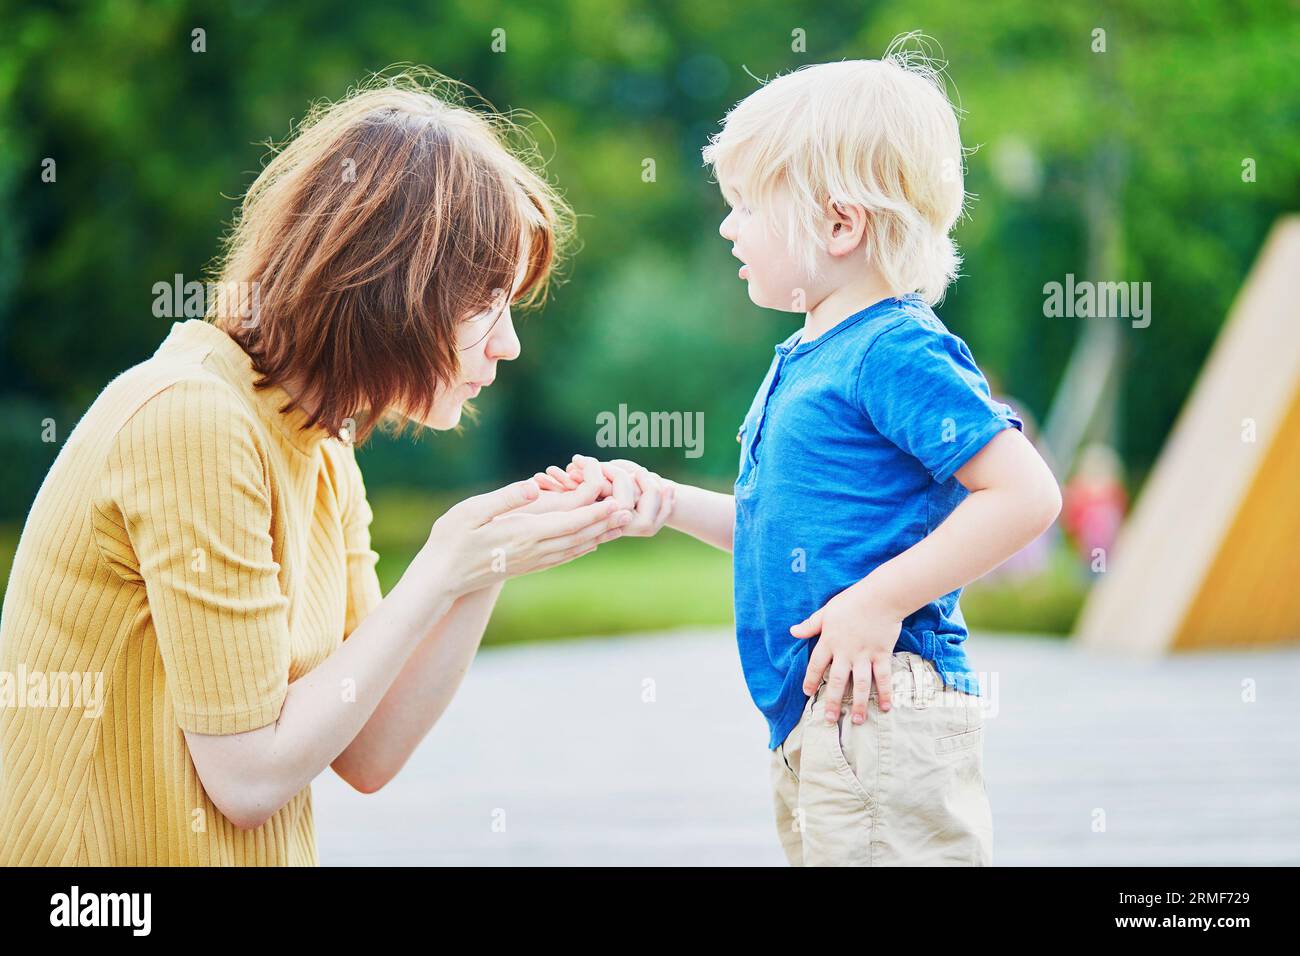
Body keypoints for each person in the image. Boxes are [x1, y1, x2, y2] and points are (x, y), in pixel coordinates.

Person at [0, 74, 635, 866]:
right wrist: (441, 567)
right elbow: (248, 778)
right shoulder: (192, 419)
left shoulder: (321, 446)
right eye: (487, 303)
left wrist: (487, 561)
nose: (508, 344)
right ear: (390, 287)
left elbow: (368, 750)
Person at [540, 45, 1061, 866]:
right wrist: (665, 501)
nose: (728, 226)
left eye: (747, 206)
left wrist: (880, 602)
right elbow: (783, 529)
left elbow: (1026, 495)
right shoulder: (810, 357)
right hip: (821, 720)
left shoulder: (893, 349)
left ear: (840, 224)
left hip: (882, 708)